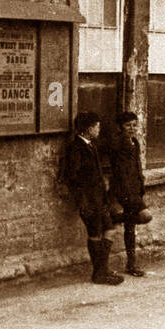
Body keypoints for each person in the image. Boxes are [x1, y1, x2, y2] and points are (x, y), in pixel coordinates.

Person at [63, 112, 123, 285]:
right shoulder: (76, 147)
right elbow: (73, 177)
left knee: (109, 229)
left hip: (98, 199)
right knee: (95, 234)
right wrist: (83, 201)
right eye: (97, 126)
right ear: (89, 129)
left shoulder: (91, 145)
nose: (99, 129)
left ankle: (101, 270)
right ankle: (100, 274)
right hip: (89, 200)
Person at [107, 111, 152, 277]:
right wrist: (127, 193)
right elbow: (120, 172)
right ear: (120, 127)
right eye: (127, 126)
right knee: (145, 216)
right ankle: (114, 219)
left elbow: (137, 166)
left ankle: (131, 264)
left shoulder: (134, 142)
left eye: (134, 125)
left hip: (135, 189)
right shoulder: (118, 143)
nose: (132, 128)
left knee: (130, 228)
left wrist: (141, 185)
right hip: (124, 190)